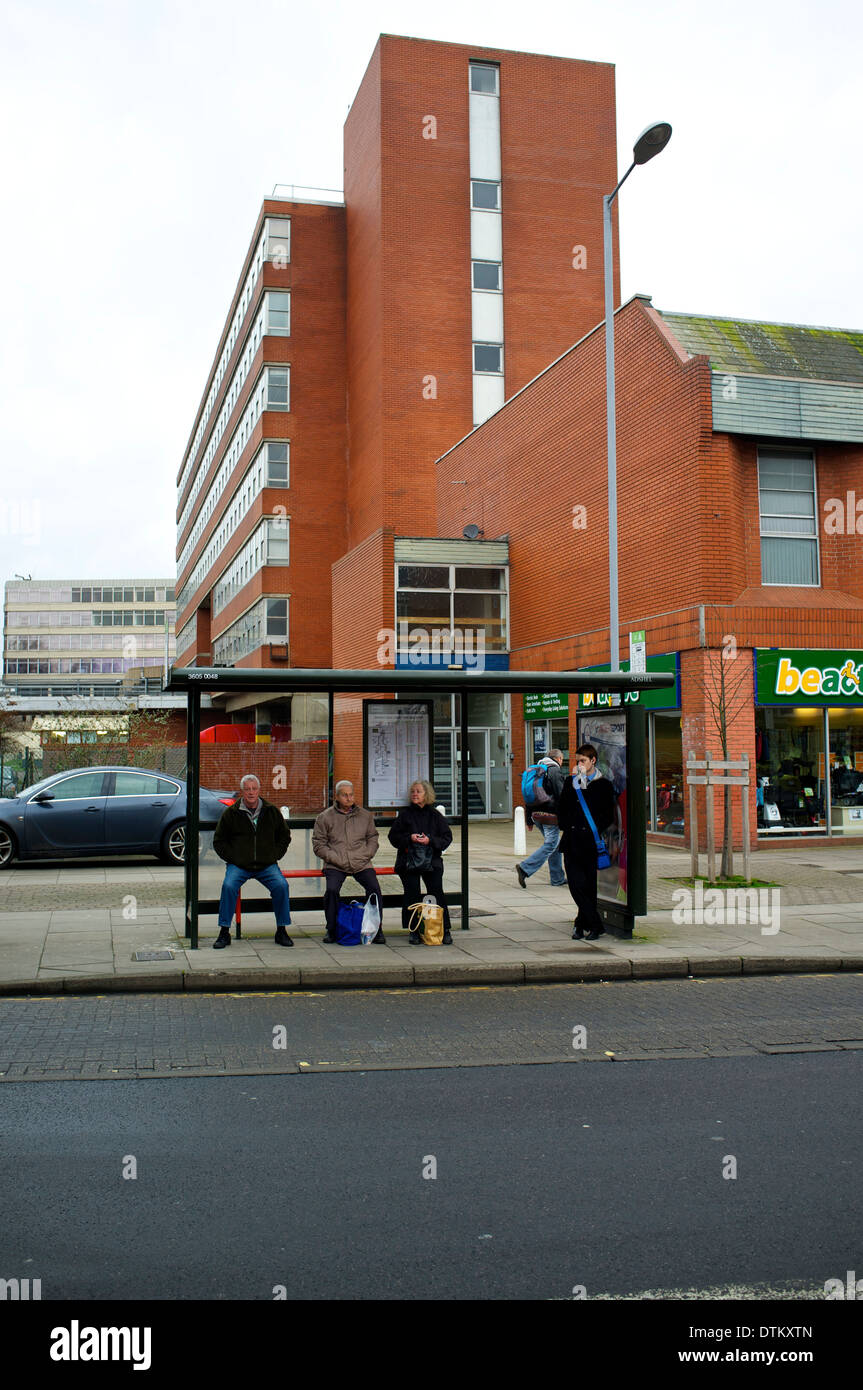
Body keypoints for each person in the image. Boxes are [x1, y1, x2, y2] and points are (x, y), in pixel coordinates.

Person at [212, 773, 292, 948]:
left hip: (267, 865)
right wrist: (234, 858)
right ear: (242, 791)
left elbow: (284, 836)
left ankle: (282, 930)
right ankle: (224, 932)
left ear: (259, 790)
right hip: (239, 866)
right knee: (228, 886)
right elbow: (219, 841)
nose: (251, 792)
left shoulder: (271, 811)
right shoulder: (231, 813)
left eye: (254, 789)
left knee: (281, 886)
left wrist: (274, 855)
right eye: (247, 789)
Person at [313, 781, 385, 944]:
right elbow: (318, 845)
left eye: (351, 794)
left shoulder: (365, 816)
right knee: (331, 890)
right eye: (344, 795)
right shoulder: (325, 817)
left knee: (374, 889)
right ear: (336, 796)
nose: (349, 798)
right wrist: (335, 859)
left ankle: (377, 929)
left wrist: (366, 854)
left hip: (361, 862)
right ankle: (331, 929)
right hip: (336, 863)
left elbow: (373, 838)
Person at [556, 743, 616, 942]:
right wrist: (575, 783)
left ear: (593, 761)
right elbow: (562, 807)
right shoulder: (570, 782)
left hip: (590, 842)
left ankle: (581, 924)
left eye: (583, 760)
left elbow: (608, 815)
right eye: (577, 760)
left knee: (588, 886)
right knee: (575, 884)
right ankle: (595, 924)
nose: (579, 764)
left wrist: (593, 828)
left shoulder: (603, 785)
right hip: (572, 840)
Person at [388, 779, 453, 944]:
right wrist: (409, 838)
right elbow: (393, 837)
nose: (415, 794)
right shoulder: (405, 815)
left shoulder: (435, 815)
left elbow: (446, 837)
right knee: (412, 892)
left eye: (418, 791)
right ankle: (414, 929)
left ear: (427, 794)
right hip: (409, 860)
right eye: (413, 792)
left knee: (436, 891)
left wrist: (430, 840)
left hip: (431, 860)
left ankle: (443, 928)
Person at [515, 748, 567, 889]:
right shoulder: (554, 770)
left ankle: (557, 878)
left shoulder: (535, 770)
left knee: (554, 844)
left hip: (536, 815)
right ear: (559, 759)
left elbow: (529, 797)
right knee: (551, 843)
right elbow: (561, 795)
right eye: (562, 760)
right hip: (549, 815)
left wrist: (528, 820)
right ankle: (525, 868)